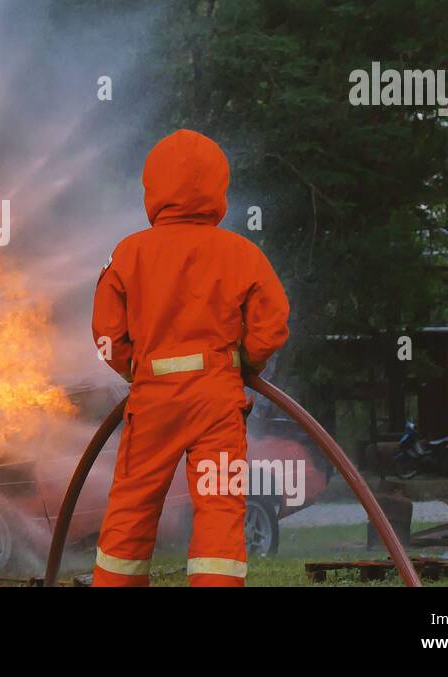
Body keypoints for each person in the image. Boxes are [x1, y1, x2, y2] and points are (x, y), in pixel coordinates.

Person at [91, 129, 289, 587]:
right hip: (216, 402)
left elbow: (107, 333)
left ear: (153, 188)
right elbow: (272, 325)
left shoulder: (128, 253)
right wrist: (244, 363)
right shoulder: (242, 253)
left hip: (153, 400)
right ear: (219, 189)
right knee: (220, 508)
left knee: (132, 508)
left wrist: (134, 369)